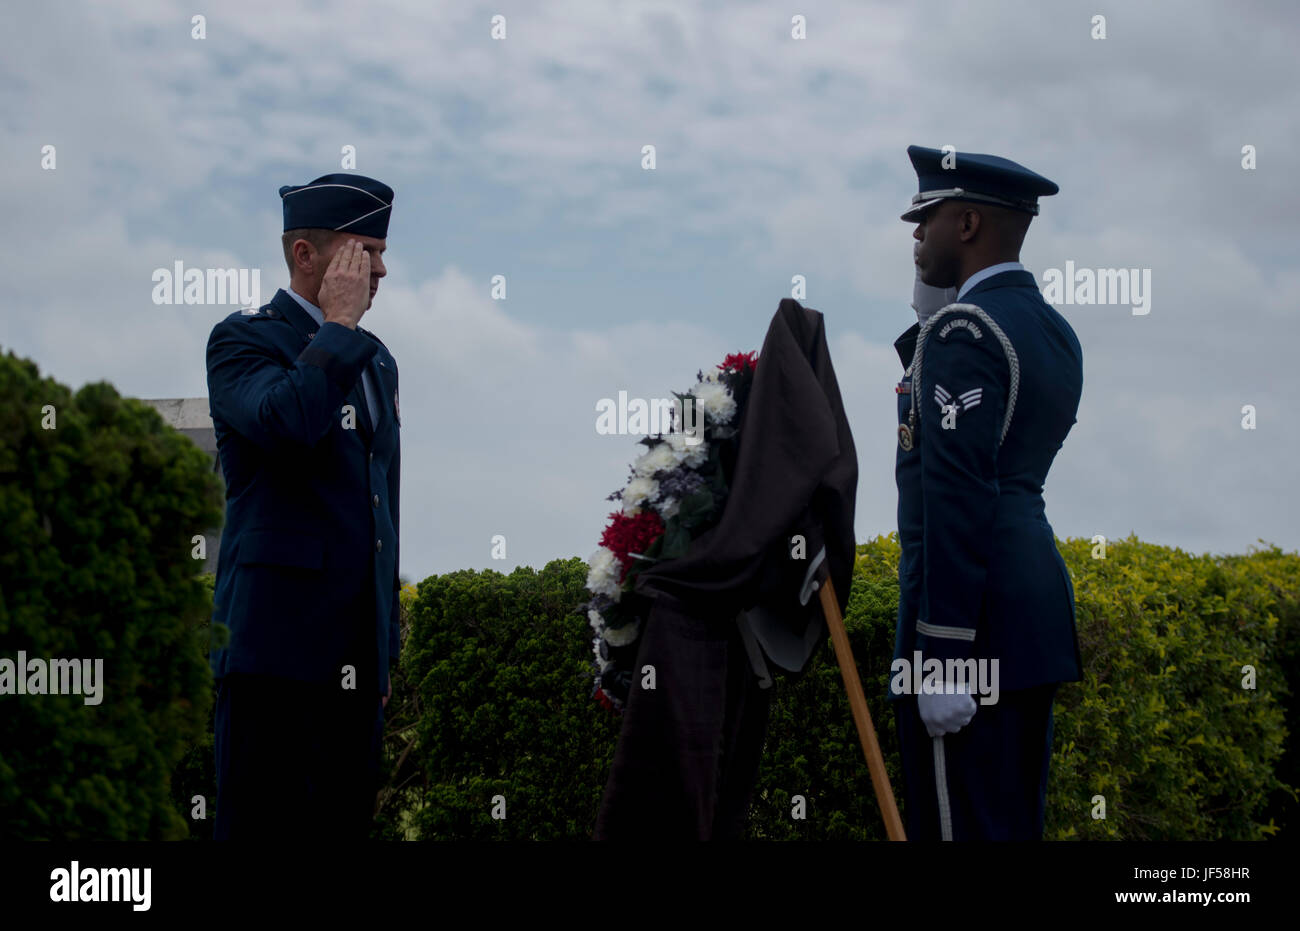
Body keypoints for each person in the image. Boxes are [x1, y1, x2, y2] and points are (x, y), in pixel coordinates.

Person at [889, 145, 1083, 840]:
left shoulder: (964, 331)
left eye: (926, 217)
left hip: (970, 630)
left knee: (958, 827)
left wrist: (942, 654)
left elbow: (958, 495)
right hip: (1028, 615)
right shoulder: (1052, 331)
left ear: (966, 224)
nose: (916, 235)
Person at [205, 173, 402, 839]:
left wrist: (382, 656)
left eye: (380, 254)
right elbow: (286, 424)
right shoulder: (243, 341)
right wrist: (340, 324)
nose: (379, 270)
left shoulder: (378, 364)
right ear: (306, 257)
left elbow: (382, 510)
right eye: (363, 253)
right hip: (272, 657)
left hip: (352, 670)